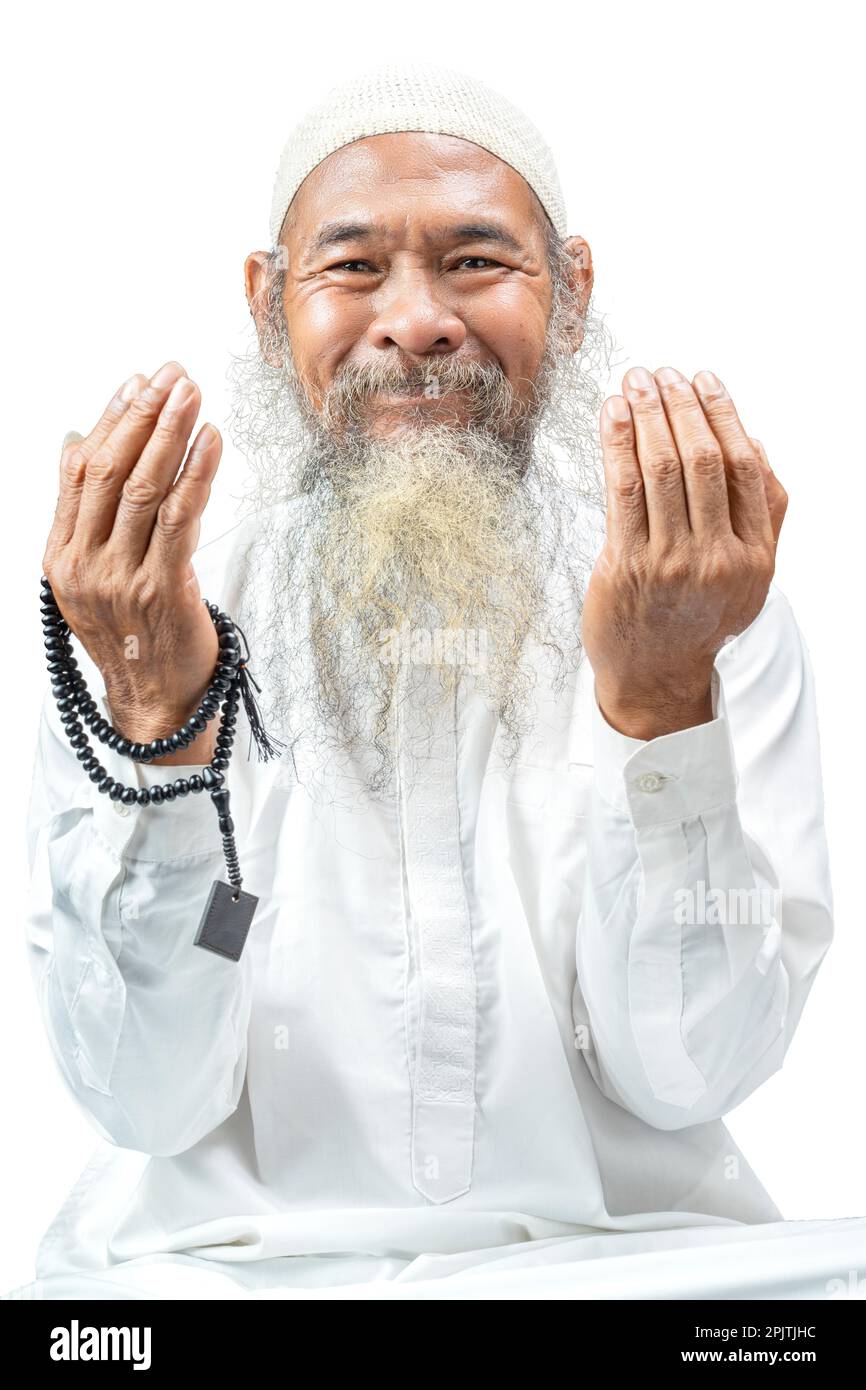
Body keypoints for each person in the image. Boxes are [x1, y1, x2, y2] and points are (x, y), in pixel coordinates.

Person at [9, 61, 861, 1301]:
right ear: (267, 308)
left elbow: (693, 1074)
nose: (415, 320)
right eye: (352, 267)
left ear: (569, 298)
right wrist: (156, 726)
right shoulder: (164, 610)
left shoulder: (689, 595)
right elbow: (143, 1094)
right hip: (221, 1276)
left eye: (475, 261)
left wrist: (660, 695)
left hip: (635, 1272)